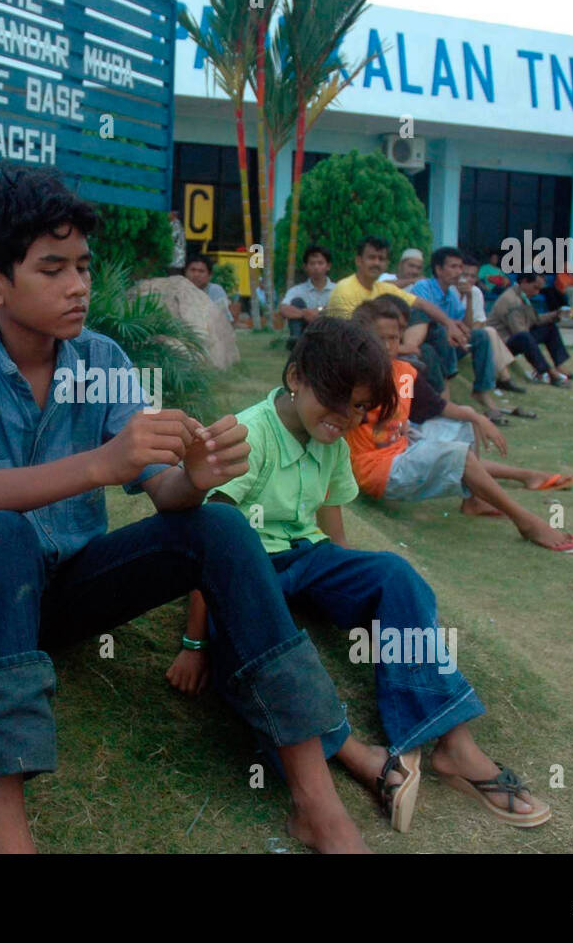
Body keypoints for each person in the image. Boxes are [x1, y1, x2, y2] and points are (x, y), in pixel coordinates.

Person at [0, 166, 371, 854]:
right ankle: (5, 829)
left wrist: (195, 477)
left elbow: (163, 491)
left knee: (219, 525)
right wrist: (99, 463)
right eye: (53, 269)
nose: (78, 285)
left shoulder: (103, 358)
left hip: (59, 593)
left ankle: (314, 800)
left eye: (84, 267)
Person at [169, 318, 553, 830]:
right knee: (258, 643)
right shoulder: (250, 434)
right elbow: (209, 546)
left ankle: (453, 743)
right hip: (245, 571)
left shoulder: (332, 440)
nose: (347, 416)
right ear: (296, 376)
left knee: (393, 575)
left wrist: (351, 587)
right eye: (337, 397)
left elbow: (332, 526)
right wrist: (193, 647)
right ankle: (358, 755)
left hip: (307, 558)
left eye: (359, 406)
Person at [348, 297, 573, 554]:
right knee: (458, 455)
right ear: (363, 342)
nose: (389, 346)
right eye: (381, 339)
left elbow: (438, 407)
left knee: (464, 418)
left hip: (403, 452)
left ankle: (474, 500)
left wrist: (478, 417)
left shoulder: (404, 373)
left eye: (395, 338)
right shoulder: (357, 379)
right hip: (378, 471)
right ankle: (527, 522)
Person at [323, 237, 469, 354]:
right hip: (352, 353)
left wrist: (449, 324)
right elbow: (351, 335)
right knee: (419, 355)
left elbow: (422, 304)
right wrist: (400, 349)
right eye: (371, 258)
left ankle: (443, 383)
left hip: (383, 347)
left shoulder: (384, 288)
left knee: (427, 348)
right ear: (359, 261)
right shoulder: (345, 288)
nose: (376, 263)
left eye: (381, 259)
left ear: (386, 264)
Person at [409, 247, 502, 419]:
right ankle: (447, 387)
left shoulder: (451, 294)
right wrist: (450, 329)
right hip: (427, 344)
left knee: (481, 336)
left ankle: (482, 391)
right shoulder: (423, 287)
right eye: (453, 267)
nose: (459, 272)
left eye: (460, 267)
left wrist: (468, 297)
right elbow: (425, 323)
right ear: (438, 269)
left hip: (449, 345)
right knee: (440, 331)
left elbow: (467, 327)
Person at [487, 273, 573, 385]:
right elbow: (520, 332)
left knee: (549, 327)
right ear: (525, 282)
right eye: (535, 288)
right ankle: (549, 372)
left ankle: (560, 366)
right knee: (525, 337)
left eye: (539, 289)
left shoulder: (522, 296)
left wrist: (556, 315)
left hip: (516, 336)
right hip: (502, 343)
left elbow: (534, 320)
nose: (537, 292)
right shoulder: (512, 300)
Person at [456, 258, 527, 394]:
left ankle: (505, 378)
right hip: (453, 338)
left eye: (472, 276)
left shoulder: (475, 292)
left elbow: (479, 321)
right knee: (489, 332)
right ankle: (504, 378)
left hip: (468, 337)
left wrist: (469, 336)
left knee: (488, 331)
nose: (468, 280)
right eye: (465, 275)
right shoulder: (451, 290)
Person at [279, 244, 336, 349]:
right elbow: (283, 309)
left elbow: (343, 311)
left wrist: (319, 311)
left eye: (320, 263)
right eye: (312, 263)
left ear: (328, 266)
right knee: (297, 302)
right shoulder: (297, 290)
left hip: (329, 334)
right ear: (306, 267)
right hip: (304, 333)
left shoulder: (337, 290)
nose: (316, 267)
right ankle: (296, 342)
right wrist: (305, 313)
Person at [183, 252, 233, 324]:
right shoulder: (178, 289)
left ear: (210, 275)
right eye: (192, 270)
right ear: (185, 272)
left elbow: (223, 320)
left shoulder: (215, 291)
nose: (196, 275)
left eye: (201, 271)